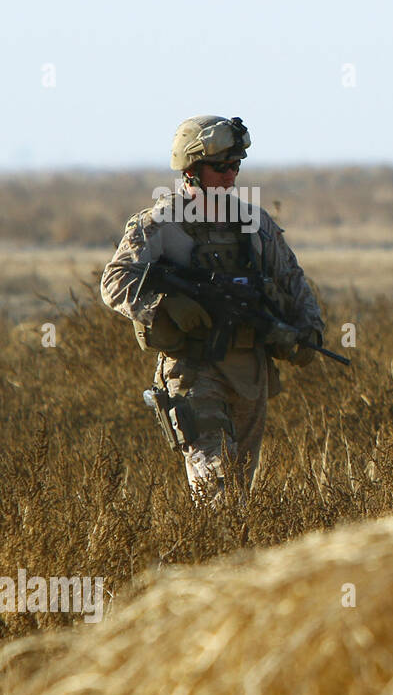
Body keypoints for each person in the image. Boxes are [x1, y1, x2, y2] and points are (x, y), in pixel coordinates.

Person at [101, 115, 325, 502]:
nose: (230, 175)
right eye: (220, 166)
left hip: (249, 375)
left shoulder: (255, 223)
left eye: (235, 166)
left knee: (239, 490)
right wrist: (166, 304)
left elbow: (291, 279)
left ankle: (232, 560)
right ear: (190, 168)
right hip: (193, 372)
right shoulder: (160, 222)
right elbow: (115, 281)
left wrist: (307, 331)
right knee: (217, 491)